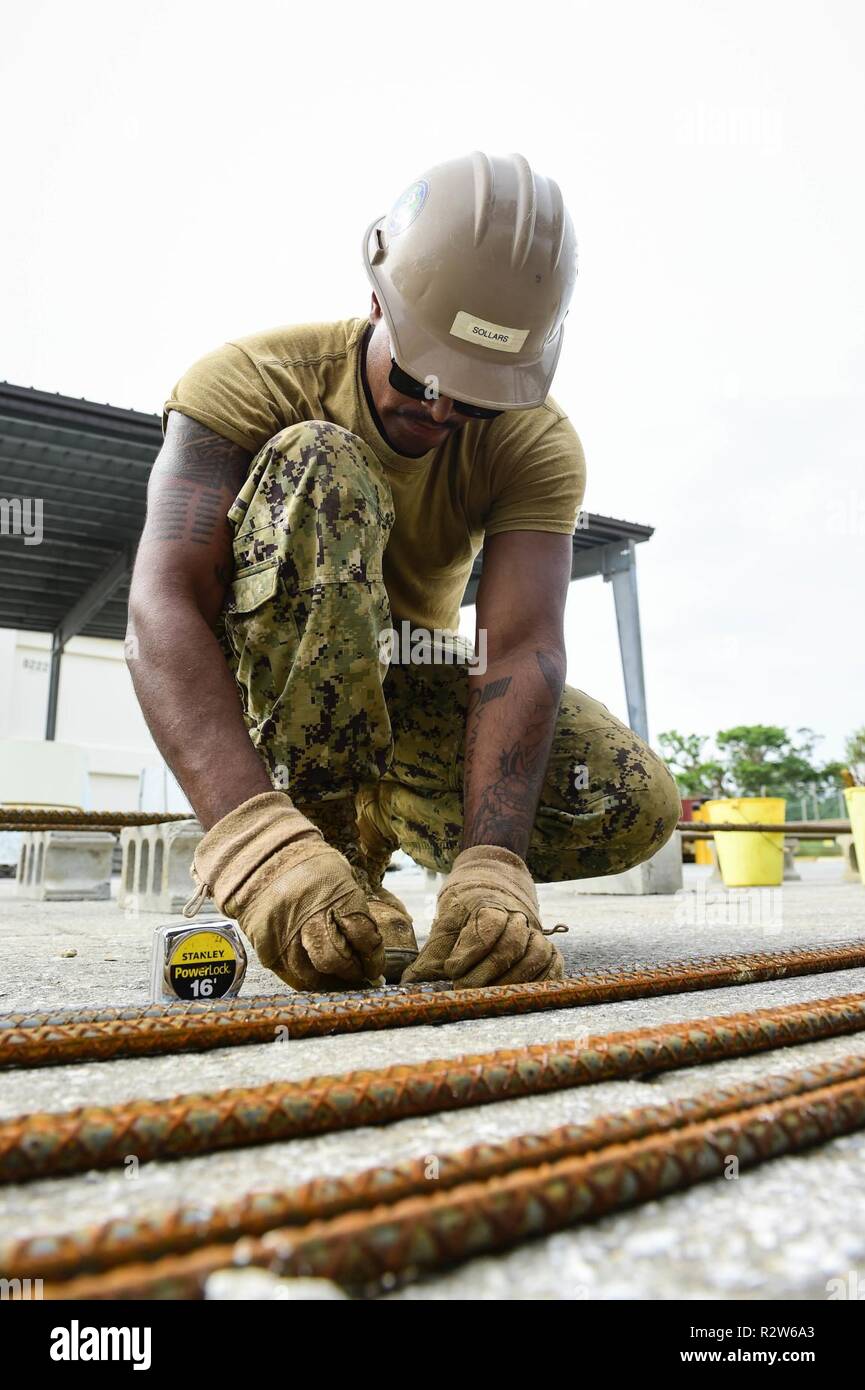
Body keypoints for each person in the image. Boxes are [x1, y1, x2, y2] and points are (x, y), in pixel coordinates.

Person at [127, 151, 680, 993]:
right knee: (321, 458)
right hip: (264, 688)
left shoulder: (536, 442)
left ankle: (379, 818)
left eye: (479, 397)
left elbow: (520, 646)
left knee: (626, 800)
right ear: (377, 301)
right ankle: (322, 852)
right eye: (422, 377)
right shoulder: (249, 380)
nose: (442, 410)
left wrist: (493, 866)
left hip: (406, 680)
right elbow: (161, 606)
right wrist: (254, 847)